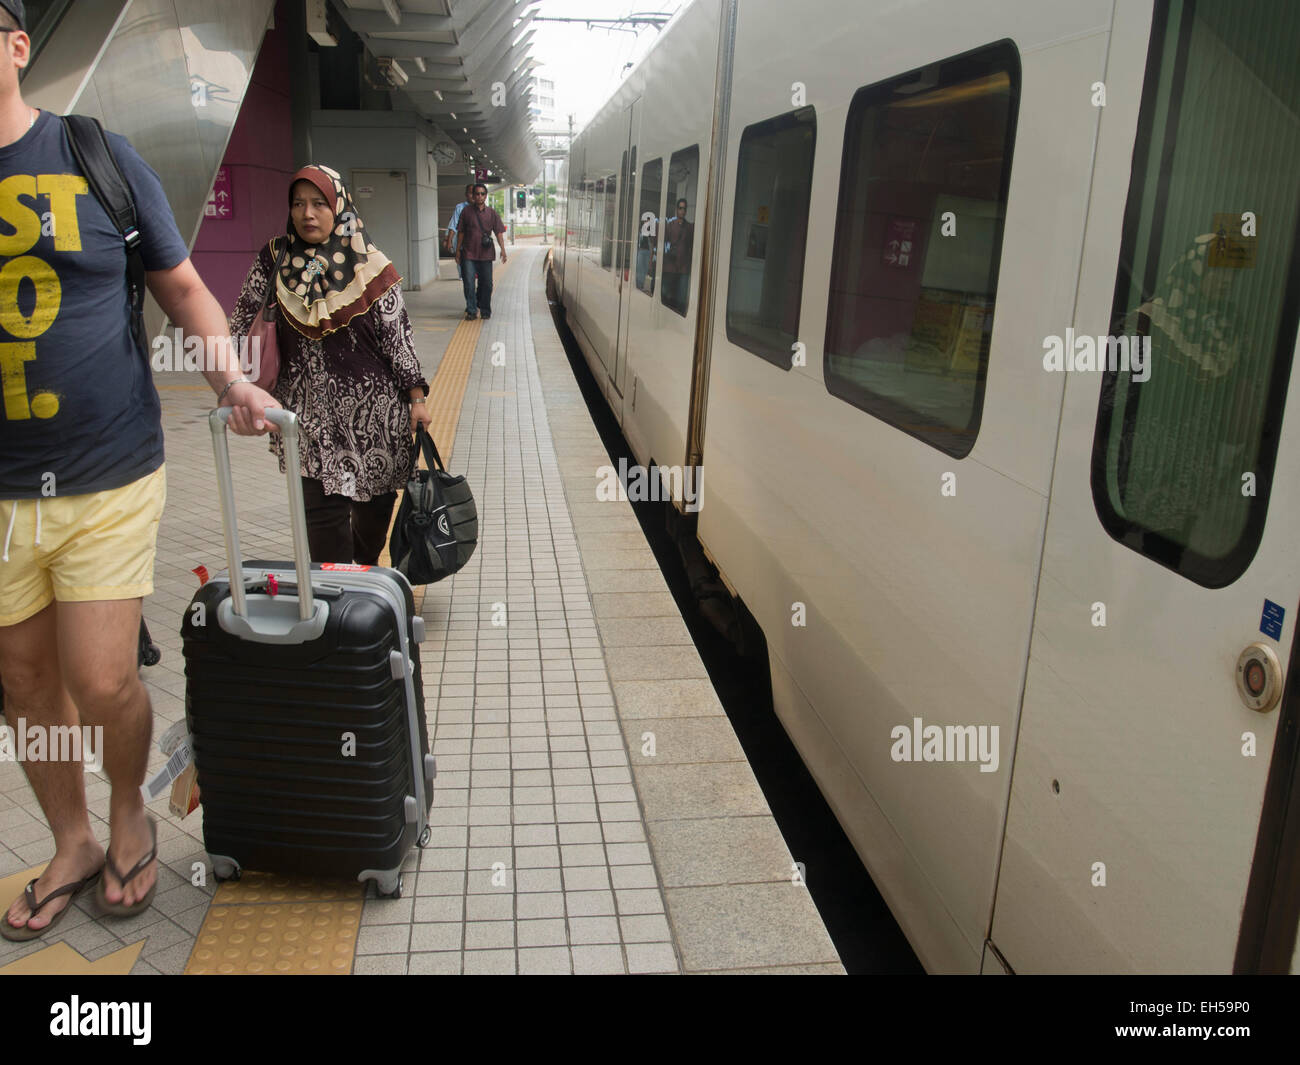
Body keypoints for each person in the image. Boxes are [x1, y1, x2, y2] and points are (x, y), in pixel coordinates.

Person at [0, 0, 278, 940]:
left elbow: (184, 286)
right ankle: (71, 839)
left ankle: (127, 813)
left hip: (107, 472)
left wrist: (232, 380)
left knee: (103, 676)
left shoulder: (95, 157)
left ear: (17, 46)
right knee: (26, 686)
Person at [229, 164, 432, 565]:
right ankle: (341, 599)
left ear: (339, 206)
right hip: (307, 420)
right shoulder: (273, 260)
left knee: (374, 521)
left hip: (375, 422)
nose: (307, 214)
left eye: (319, 204)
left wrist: (417, 398)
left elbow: (398, 338)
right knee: (323, 525)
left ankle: (363, 575)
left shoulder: (373, 268)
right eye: (298, 204)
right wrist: (236, 384)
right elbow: (239, 323)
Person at [455, 183, 507, 320]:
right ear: (473, 195)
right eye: (476, 194)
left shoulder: (492, 213)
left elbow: (499, 232)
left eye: (482, 194)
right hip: (468, 253)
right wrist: (458, 251)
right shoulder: (466, 212)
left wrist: (503, 249)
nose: (479, 196)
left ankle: (485, 309)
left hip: (486, 254)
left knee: (487, 284)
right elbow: (460, 232)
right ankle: (472, 310)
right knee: (469, 283)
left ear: (486, 196)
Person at [662, 197, 693, 313]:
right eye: (680, 208)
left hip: (683, 268)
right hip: (670, 266)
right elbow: (663, 243)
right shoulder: (670, 225)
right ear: (676, 209)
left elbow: (691, 246)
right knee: (665, 295)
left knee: (681, 299)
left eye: (684, 209)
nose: (682, 211)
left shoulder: (689, 228)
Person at [443, 182, 474, 280]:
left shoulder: (481, 207)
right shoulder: (460, 207)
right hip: (461, 241)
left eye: (475, 193)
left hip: (475, 242)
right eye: (470, 193)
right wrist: (448, 240)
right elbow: (453, 224)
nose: (473, 195)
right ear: (466, 194)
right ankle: (463, 275)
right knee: (461, 259)